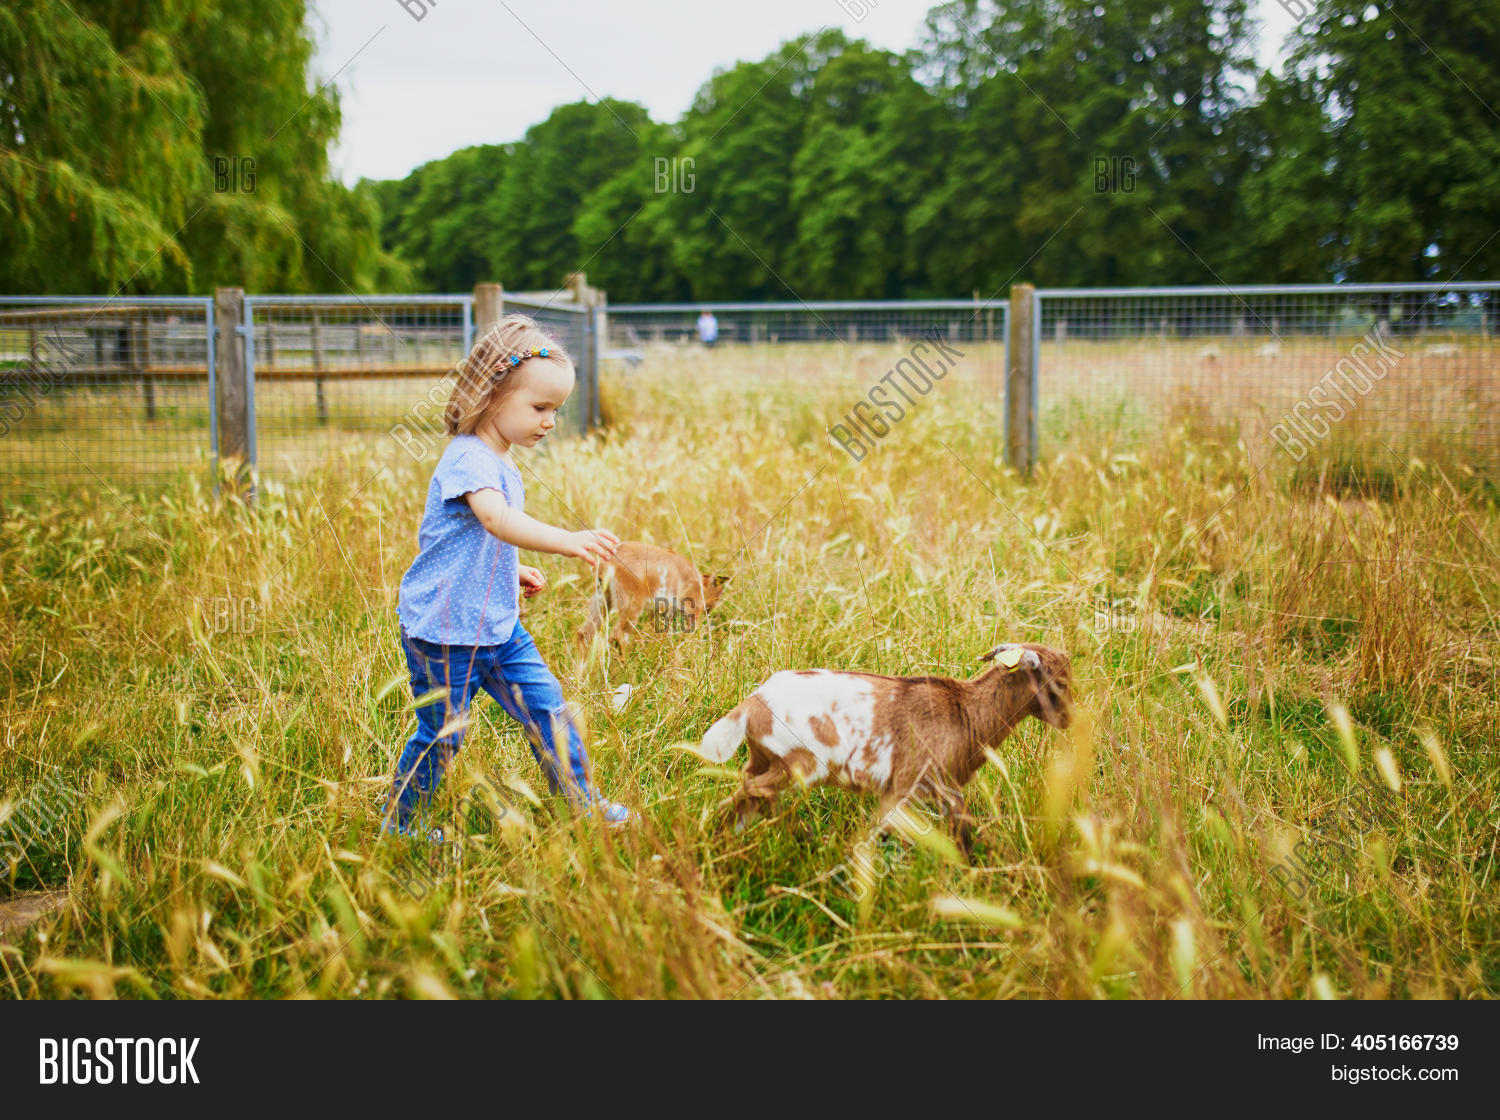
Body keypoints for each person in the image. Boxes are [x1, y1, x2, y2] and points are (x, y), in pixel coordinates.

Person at [383, 315, 630, 839]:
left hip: (498, 628)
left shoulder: (501, 458)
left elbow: (473, 537)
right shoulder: (468, 458)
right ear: (492, 396)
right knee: (443, 734)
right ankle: (401, 824)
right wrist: (567, 540)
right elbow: (495, 519)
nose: (550, 421)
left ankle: (583, 804)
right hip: (445, 632)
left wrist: (510, 568)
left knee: (551, 713)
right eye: (540, 408)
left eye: (556, 411)